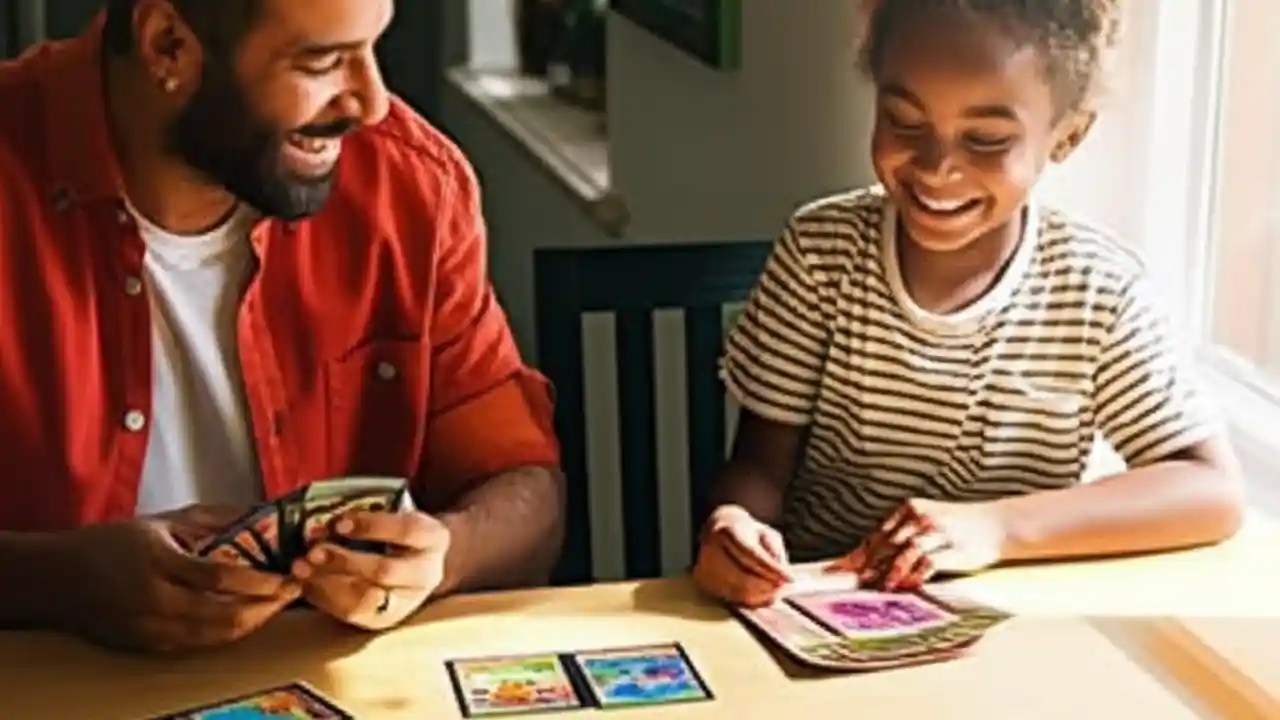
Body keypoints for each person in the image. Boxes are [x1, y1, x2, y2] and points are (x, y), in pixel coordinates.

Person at [0, 0, 565, 652]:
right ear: (168, 46)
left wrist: (444, 556)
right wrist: (59, 582)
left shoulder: (410, 187)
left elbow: (526, 491)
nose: (372, 102)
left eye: (374, 48)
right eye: (322, 62)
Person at [693, 0, 1245, 607]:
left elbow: (1210, 489)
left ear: (1066, 138)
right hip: (815, 607)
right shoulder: (821, 254)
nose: (937, 168)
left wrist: (995, 526)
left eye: (986, 139)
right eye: (904, 120)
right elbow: (759, 470)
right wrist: (731, 527)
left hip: (1005, 625)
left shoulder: (1097, 290)